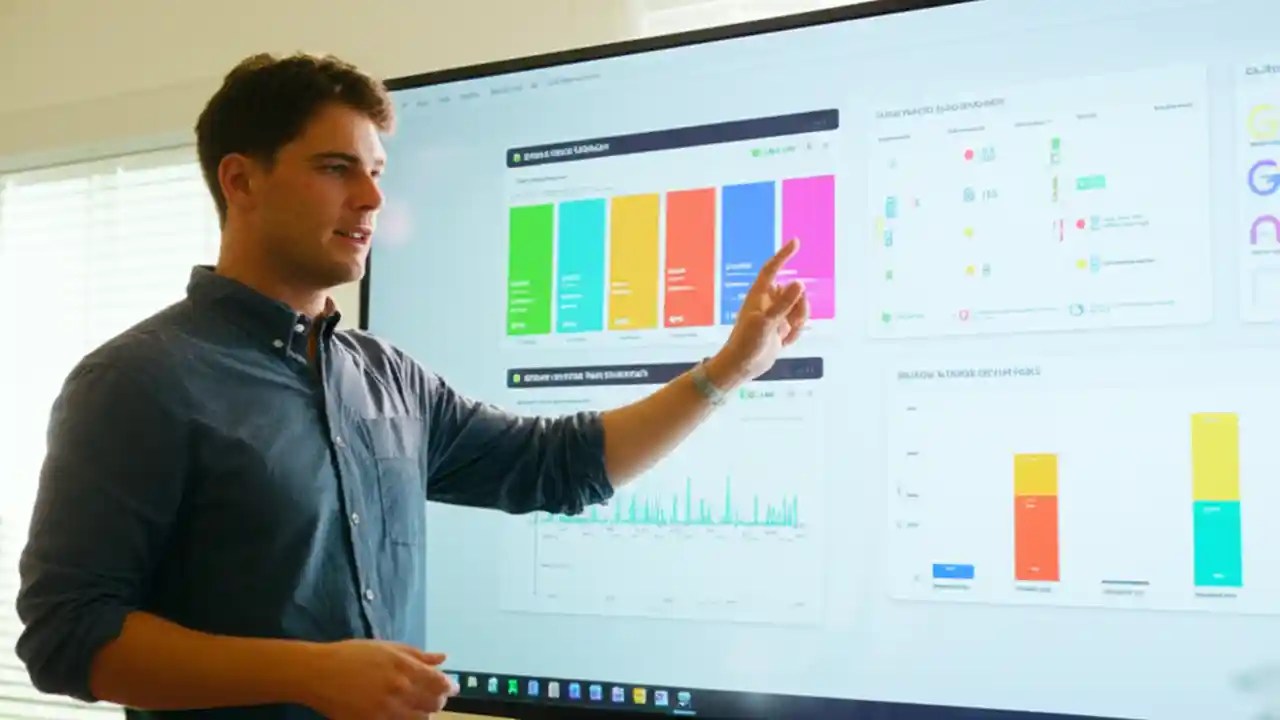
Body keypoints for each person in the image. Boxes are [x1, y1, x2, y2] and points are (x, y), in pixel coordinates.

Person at [14, 52, 810, 720]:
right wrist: (308, 673)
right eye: (336, 169)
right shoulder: (137, 381)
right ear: (241, 181)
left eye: (376, 172)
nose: (370, 198)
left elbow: (559, 464)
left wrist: (725, 372)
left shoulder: (388, 378)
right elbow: (68, 637)